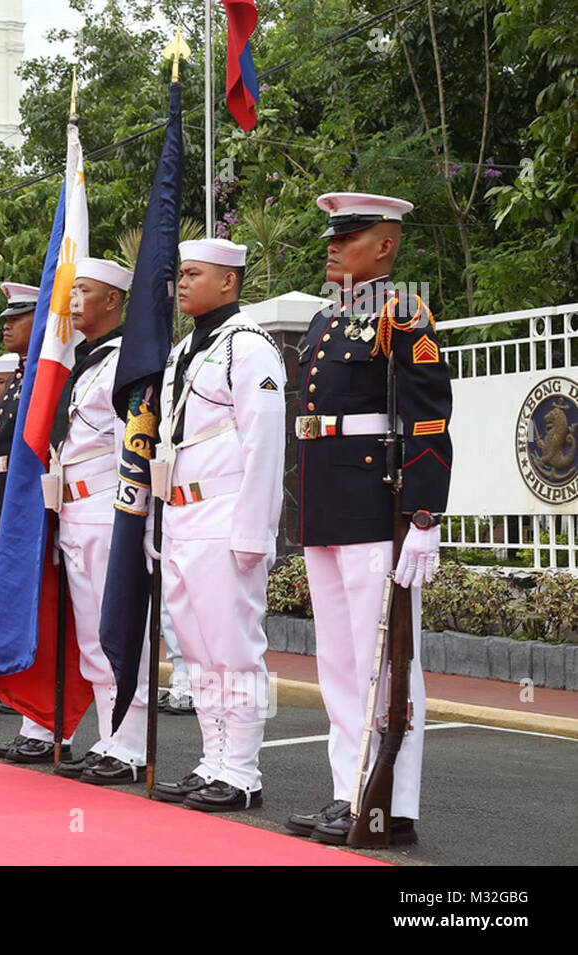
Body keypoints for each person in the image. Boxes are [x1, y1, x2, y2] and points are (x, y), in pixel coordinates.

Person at [285, 193, 451, 846]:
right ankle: (346, 790)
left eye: (348, 235)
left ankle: (391, 804)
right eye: (332, 234)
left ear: (384, 246)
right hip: (327, 500)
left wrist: (423, 513)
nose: (332, 244)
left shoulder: (402, 312)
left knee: (386, 661)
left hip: (375, 504)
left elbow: (429, 418)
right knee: (340, 662)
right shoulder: (328, 319)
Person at [124, 239, 285, 807]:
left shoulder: (250, 347)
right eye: (181, 274)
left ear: (228, 282)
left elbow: (265, 443)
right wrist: (156, 524)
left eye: (195, 274)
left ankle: (242, 772)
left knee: (233, 646)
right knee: (195, 650)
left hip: (224, 513)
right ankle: (212, 759)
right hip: (181, 515)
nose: (182, 284)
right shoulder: (182, 352)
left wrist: (254, 529)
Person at [8, 258, 130, 768]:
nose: (72, 301)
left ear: (113, 300)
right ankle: (109, 738)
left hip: (106, 507)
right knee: (87, 636)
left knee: (112, 631)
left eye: (84, 292)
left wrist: (134, 516)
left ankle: (125, 743)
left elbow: (129, 442)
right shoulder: (84, 360)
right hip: (72, 507)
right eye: (72, 291)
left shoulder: (126, 359)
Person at [0, 283, 38, 549]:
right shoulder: (19, 375)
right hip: (6, 486)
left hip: (26, 489)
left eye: (16, 319)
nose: (7, 326)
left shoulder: (41, 375)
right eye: (6, 319)